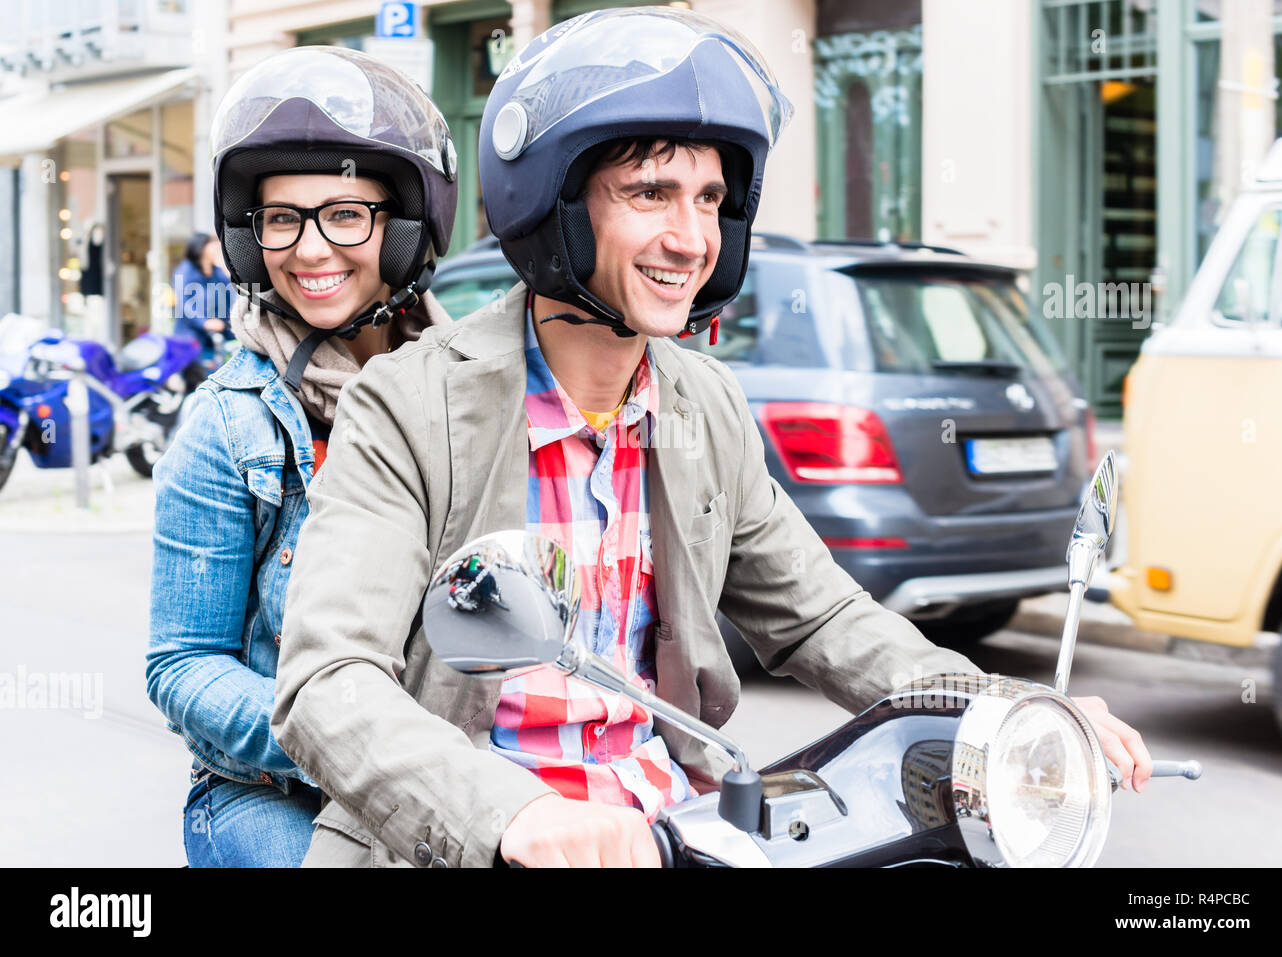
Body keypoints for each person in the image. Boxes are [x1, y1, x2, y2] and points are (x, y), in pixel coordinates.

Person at [271, 7, 1151, 869]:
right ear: (555, 208)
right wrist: (517, 815)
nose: (690, 238)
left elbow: (825, 618)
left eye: (710, 200)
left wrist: (1009, 708)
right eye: (650, 194)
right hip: (470, 842)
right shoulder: (409, 403)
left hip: (672, 831)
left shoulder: (704, 405)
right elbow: (328, 682)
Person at [145, 46, 458, 867]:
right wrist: (355, 737)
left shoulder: (472, 397)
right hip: (269, 795)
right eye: (282, 218)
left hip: (466, 786)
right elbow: (183, 665)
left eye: (346, 213)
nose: (310, 250)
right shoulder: (227, 424)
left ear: (407, 225)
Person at [171, 232, 235, 370]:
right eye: (212, 243)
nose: (217, 246)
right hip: (191, 337)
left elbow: (232, 296)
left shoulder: (217, 272)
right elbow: (183, 304)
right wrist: (205, 322)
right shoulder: (185, 270)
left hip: (216, 338)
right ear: (201, 247)